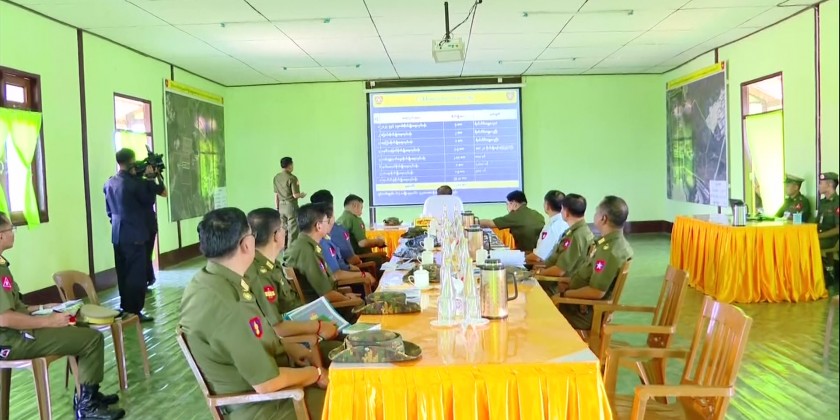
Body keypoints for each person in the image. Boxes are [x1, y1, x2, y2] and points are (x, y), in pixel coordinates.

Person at [180, 208, 326, 420]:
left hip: (267, 391)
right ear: (246, 245)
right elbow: (268, 383)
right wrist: (317, 373)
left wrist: (285, 347)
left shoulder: (209, 281)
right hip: (265, 407)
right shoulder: (228, 304)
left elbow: (251, 338)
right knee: (351, 401)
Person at [0, 213, 124, 420]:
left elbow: (15, 305)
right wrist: (49, 321)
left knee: (80, 328)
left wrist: (44, 306)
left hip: (16, 333)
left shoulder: (3, 265)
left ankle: (87, 395)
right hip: (11, 340)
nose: (13, 233)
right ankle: (87, 406)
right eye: (10, 229)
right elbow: (4, 318)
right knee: (92, 340)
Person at [245, 208, 342, 365]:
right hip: (296, 343)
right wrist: (317, 327)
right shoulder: (259, 275)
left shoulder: (272, 265)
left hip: (304, 324)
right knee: (344, 350)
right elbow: (277, 328)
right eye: (283, 229)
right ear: (276, 235)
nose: (285, 232)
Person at [552, 196, 634, 331]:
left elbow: (596, 292)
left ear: (603, 218)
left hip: (583, 312)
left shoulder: (610, 251)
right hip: (579, 305)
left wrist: (566, 294)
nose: (594, 215)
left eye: (596, 212)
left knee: (542, 315)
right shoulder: (608, 244)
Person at [104, 148, 165, 323]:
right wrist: (152, 177)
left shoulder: (109, 183)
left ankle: (125, 307)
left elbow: (109, 211)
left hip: (117, 233)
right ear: (132, 161)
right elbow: (150, 199)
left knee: (122, 272)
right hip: (135, 234)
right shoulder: (136, 184)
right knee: (136, 275)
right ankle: (135, 311)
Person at [285, 203, 360, 304]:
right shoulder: (306, 251)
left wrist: (345, 296)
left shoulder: (304, 245)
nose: (329, 224)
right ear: (318, 226)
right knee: (360, 302)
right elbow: (327, 294)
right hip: (318, 309)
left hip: (322, 301)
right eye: (326, 221)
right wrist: (348, 299)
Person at [536, 194, 594, 278]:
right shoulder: (581, 231)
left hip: (558, 283)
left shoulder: (575, 236)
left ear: (566, 212)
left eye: (562, 209)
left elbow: (559, 271)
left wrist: (539, 273)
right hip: (553, 276)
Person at [479, 190, 545, 252]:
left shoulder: (516, 215)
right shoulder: (538, 215)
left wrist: (472, 221)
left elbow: (490, 223)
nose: (507, 207)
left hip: (528, 254)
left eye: (507, 204)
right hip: (541, 253)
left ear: (514, 204)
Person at [336, 195, 387, 267]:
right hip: (360, 258)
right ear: (355, 205)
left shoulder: (340, 220)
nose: (361, 212)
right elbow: (362, 243)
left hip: (345, 261)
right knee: (386, 262)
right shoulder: (354, 219)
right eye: (361, 208)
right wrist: (378, 241)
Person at [526, 190, 569, 265]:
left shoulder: (553, 227)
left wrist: (519, 258)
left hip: (548, 267)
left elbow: (538, 257)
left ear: (547, 205)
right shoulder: (562, 222)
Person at [274, 157, 305, 243]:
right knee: (293, 230)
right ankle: (291, 251)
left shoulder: (276, 178)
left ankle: (283, 250)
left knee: (283, 230)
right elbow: (295, 195)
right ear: (290, 165)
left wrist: (277, 207)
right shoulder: (292, 178)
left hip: (281, 206)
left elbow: (276, 194)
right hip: (290, 206)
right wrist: (302, 195)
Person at [818, 172, 839, 286]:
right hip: (821, 235)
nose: (819, 186)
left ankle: (825, 275)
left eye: (821, 183)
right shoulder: (822, 202)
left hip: (833, 238)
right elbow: (817, 222)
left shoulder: (837, 202)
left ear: (830, 184)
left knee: (810, 244)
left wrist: (818, 236)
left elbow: (838, 229)